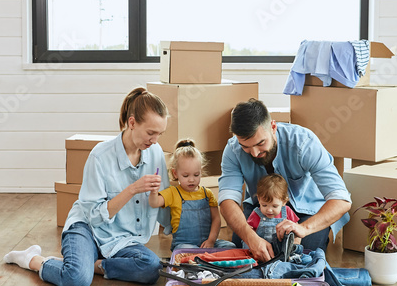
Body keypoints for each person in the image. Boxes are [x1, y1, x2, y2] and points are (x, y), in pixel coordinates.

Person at [2, 88, 168, 286]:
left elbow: (164, 198)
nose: (155, 140)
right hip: (87, 228)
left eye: (160, 134)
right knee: (76, 281)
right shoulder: (100, 156)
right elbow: (94, 217)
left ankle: (88, 264)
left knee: (152, 268)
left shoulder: (155, 152)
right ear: (132, 123)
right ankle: (32, 259)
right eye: (151, 133)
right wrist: (133, 189)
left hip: (122, 239)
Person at [218, 99, 351, 262]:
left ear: (273, 127)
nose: (254, 153)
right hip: (260, 208)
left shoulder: (304, 142)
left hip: (306, 210)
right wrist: (250, 237)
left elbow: (342, 200)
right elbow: (227, 200)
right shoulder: (232, 150)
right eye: (245, 146)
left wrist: (304, 228)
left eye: (261, 143)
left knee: (302, 255)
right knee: (243, 252)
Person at [149, 139, 234, 252]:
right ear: (175, 173)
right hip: (184, 245)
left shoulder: (207, 194)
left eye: (196, 174)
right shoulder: (173, 193)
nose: (191, 179)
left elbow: (216, 219)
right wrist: (153, 191)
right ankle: (202, 259)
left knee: (230, 247)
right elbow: (154, 203)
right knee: (185, 250)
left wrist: (211, 241)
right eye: (185, 175)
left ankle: (203, 259)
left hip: (207, 243)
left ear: (201, 171)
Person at [247, 173, 300, 253]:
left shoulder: (287, 211)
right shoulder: (256, 214)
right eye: (264, 205)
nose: (269, 210)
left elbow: (297, 228)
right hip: (263, 251)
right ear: (258, 199)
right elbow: (249, 232)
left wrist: (295, 244)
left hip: (284, 251)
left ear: (284, 202)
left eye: (274, 206)